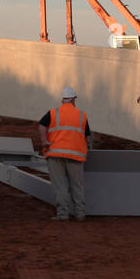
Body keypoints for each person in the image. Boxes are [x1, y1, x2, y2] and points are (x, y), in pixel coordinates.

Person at [38, 85, 90, 221]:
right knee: (77, 186)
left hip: (55, 155)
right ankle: (80, 214)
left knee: (60, 186)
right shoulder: (82, 115)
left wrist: (44, 141)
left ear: (62, 100)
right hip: (76, 156)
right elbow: (88, 136)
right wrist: (87, 147)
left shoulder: (53, 113)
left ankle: (63, 214)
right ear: (73, 99)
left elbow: (41, 125)